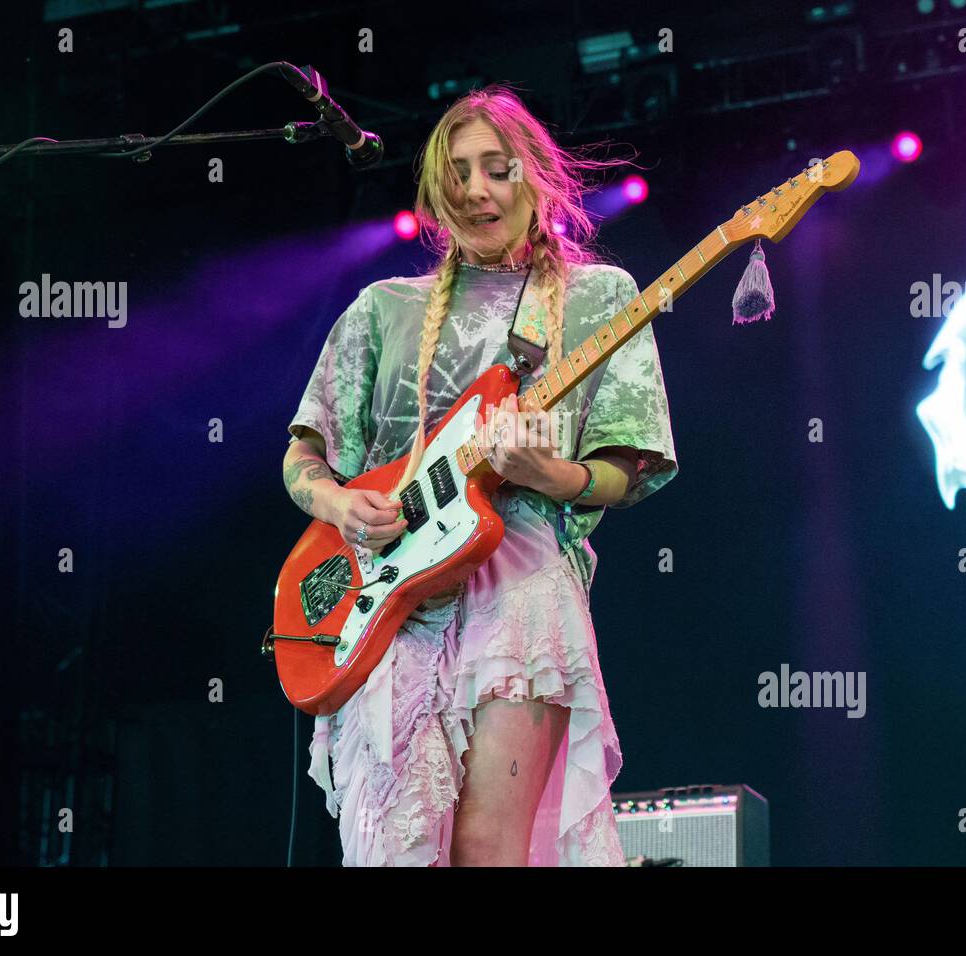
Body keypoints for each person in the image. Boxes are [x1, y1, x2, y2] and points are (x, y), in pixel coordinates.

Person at [282, 84, 678, 866]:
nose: (476, 190)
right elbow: (303, 457)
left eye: (498, 169)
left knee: (486, 850)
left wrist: (551, 472)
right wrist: (339, 500)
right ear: (434, 192)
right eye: (457, 172)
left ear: (538, 177)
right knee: (398, 848)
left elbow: (628, 470)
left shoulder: (601, 297)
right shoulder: (381, 308)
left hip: (520, 596)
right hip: (388, 601)